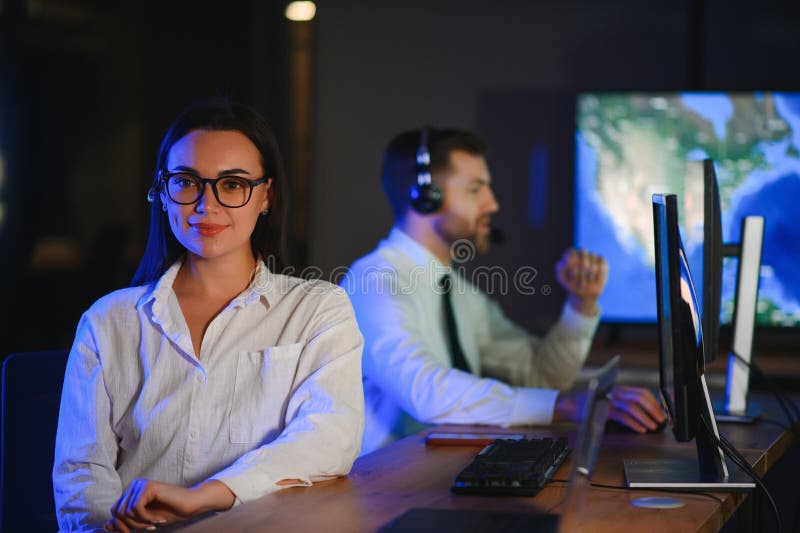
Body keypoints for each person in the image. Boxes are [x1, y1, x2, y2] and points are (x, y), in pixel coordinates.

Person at [52, 99, 364, 532]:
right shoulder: (110, 321)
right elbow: (81, 472)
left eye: (233, 185)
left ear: (266, 196)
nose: (206, 205)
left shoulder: (316, 309)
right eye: (186, 182)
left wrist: (202, 497)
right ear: (162, 193)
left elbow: (330, 439)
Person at [342, 127, 664, 455]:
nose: (492, 203)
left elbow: (541, 375)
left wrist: (580, 306)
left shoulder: (460, 295)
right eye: (475, 189)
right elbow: (427, 391)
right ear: (426, 196)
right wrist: (566, 406)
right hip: (383, 490)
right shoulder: (374, 284)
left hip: (437, 473)